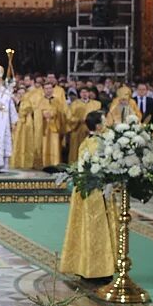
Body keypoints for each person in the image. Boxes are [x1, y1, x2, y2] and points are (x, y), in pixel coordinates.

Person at [58, 111, 116, 281]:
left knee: (87, 229)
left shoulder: (87, 142)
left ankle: (84, 267)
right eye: (104, 121)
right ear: (98, 126)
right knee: (96, 231)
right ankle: (99, 271)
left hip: (87, 191)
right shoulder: (97, 143)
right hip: (95, 192)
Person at [67, 88, 102, 161]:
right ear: (79, 94)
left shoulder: (96, 104)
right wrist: (79, 120)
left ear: (89, 93)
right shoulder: (74, 104)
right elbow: (69, 118)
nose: (84, 94)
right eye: (82, 92)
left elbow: (100, 117)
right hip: (78, 129)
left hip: (92, 130)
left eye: (86, 92)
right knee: (77, 148)